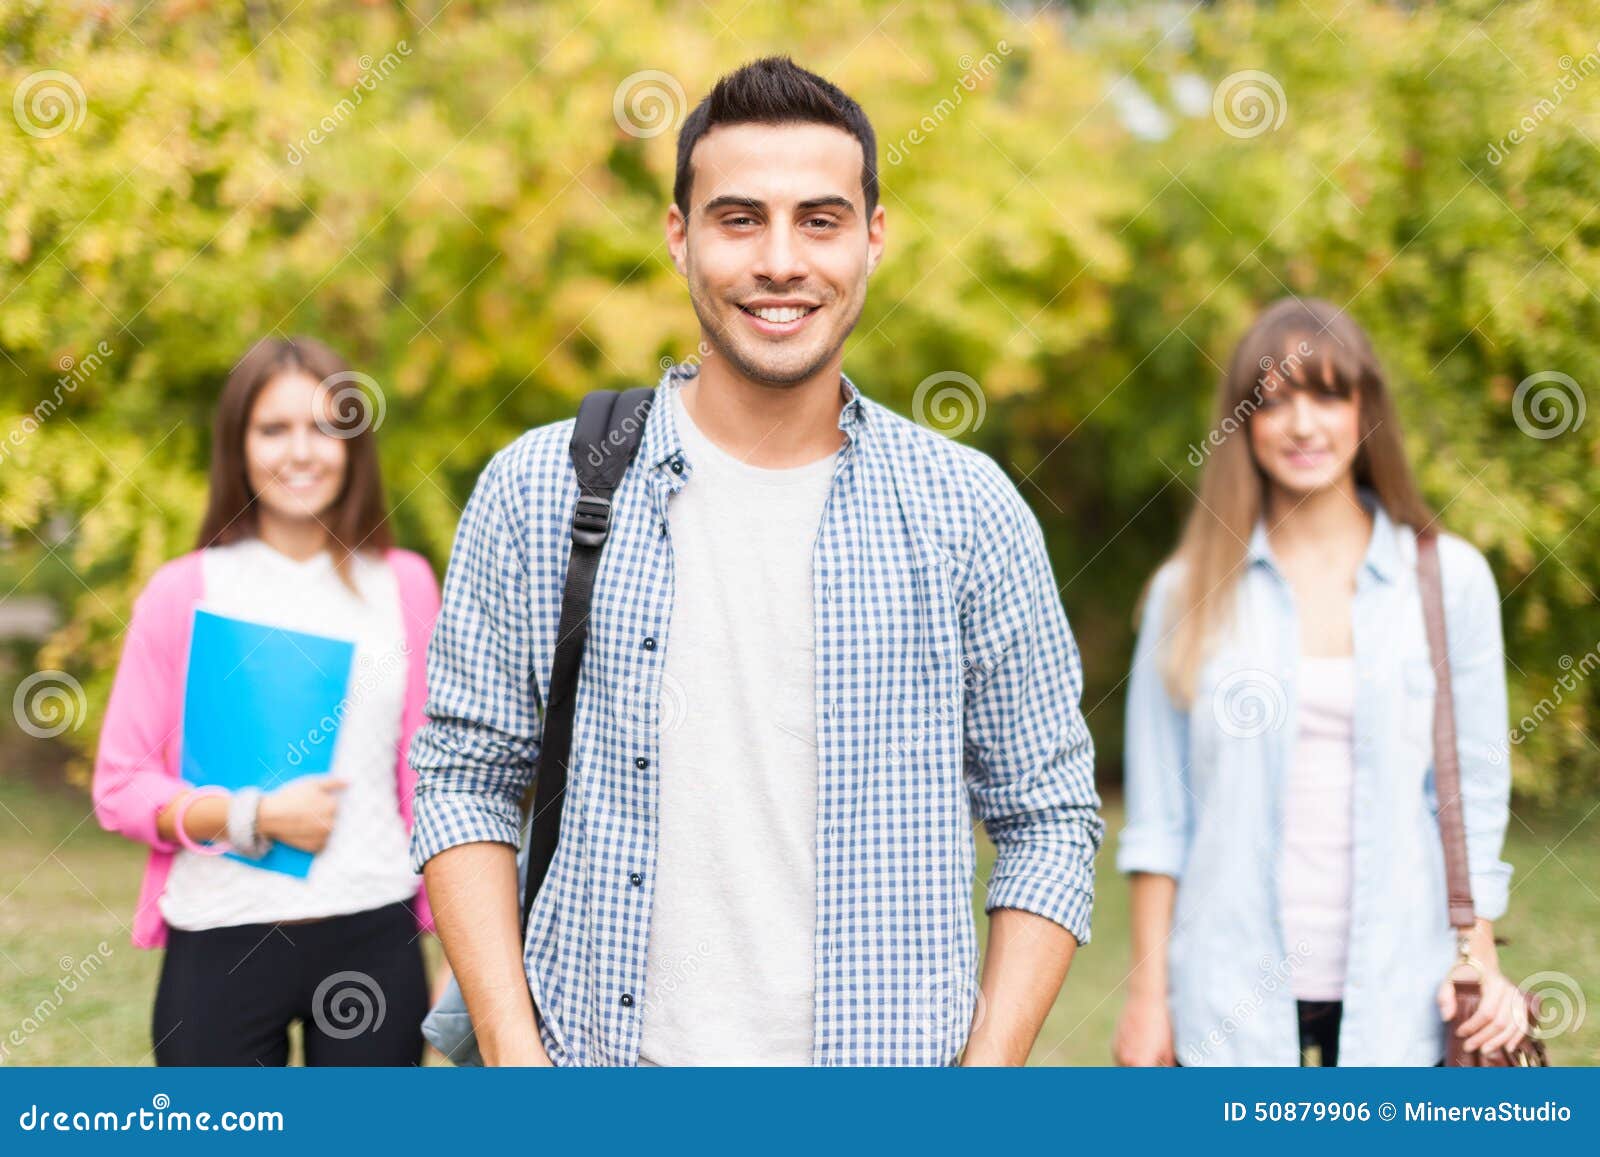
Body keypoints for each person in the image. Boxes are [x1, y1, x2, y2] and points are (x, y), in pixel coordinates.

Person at [409, 56, 1104, 1067]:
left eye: (819, 220)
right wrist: (520, 1066)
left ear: (873, 238)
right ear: (680, 239)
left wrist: (982, 1079)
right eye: (739, 219)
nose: (780, 260)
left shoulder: (967, 510)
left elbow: (1047, 815)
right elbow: (466, 778)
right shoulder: (539, 488)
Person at [1112, 297, 1525, 1067]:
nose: (1303, 424)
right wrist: (1146, 999)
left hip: (1404, 989)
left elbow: (1468, 795)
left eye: (1328, 394)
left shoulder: (1448, 581)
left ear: (1366, 407)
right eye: (1271, 400)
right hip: (1227, 996)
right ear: (1243, 424)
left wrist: (1481, 958)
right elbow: (1161, 821)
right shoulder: (1186, 591)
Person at [92, 336, 443, 1066]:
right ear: (238, 444)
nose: (301, 451)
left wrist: (451, 944)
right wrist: (253, 815)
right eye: (273, 428)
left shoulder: (404, 584)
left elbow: (430, 781)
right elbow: (119, 787)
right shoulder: (184, 591)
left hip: (372, 932)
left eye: (323, 426)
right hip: (220, 933)